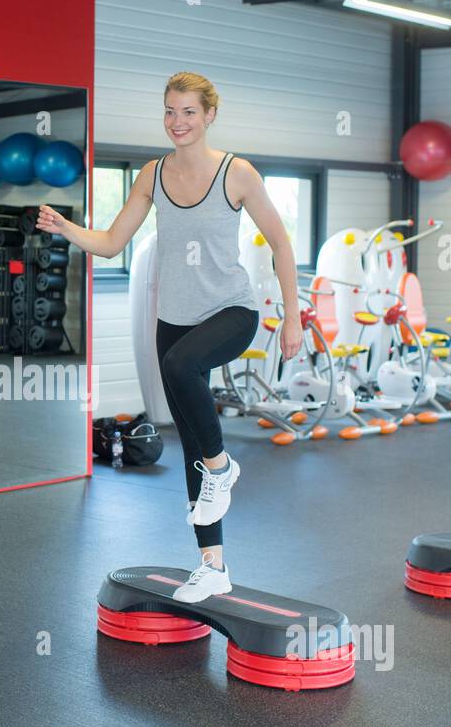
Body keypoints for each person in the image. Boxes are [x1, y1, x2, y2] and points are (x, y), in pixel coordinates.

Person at [38, 71, 301, 602]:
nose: (177, 122)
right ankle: (213, 565)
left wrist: (292, 316)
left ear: (208, 117)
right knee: (190, 445)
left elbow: (281, 242)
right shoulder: (152, 175)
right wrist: (68, 229)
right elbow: (113, 242)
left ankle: (224, 467)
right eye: (169, 111)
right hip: (174, 320)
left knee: (184, 379)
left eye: (187, 112)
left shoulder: (237, 173)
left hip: (231, 310)